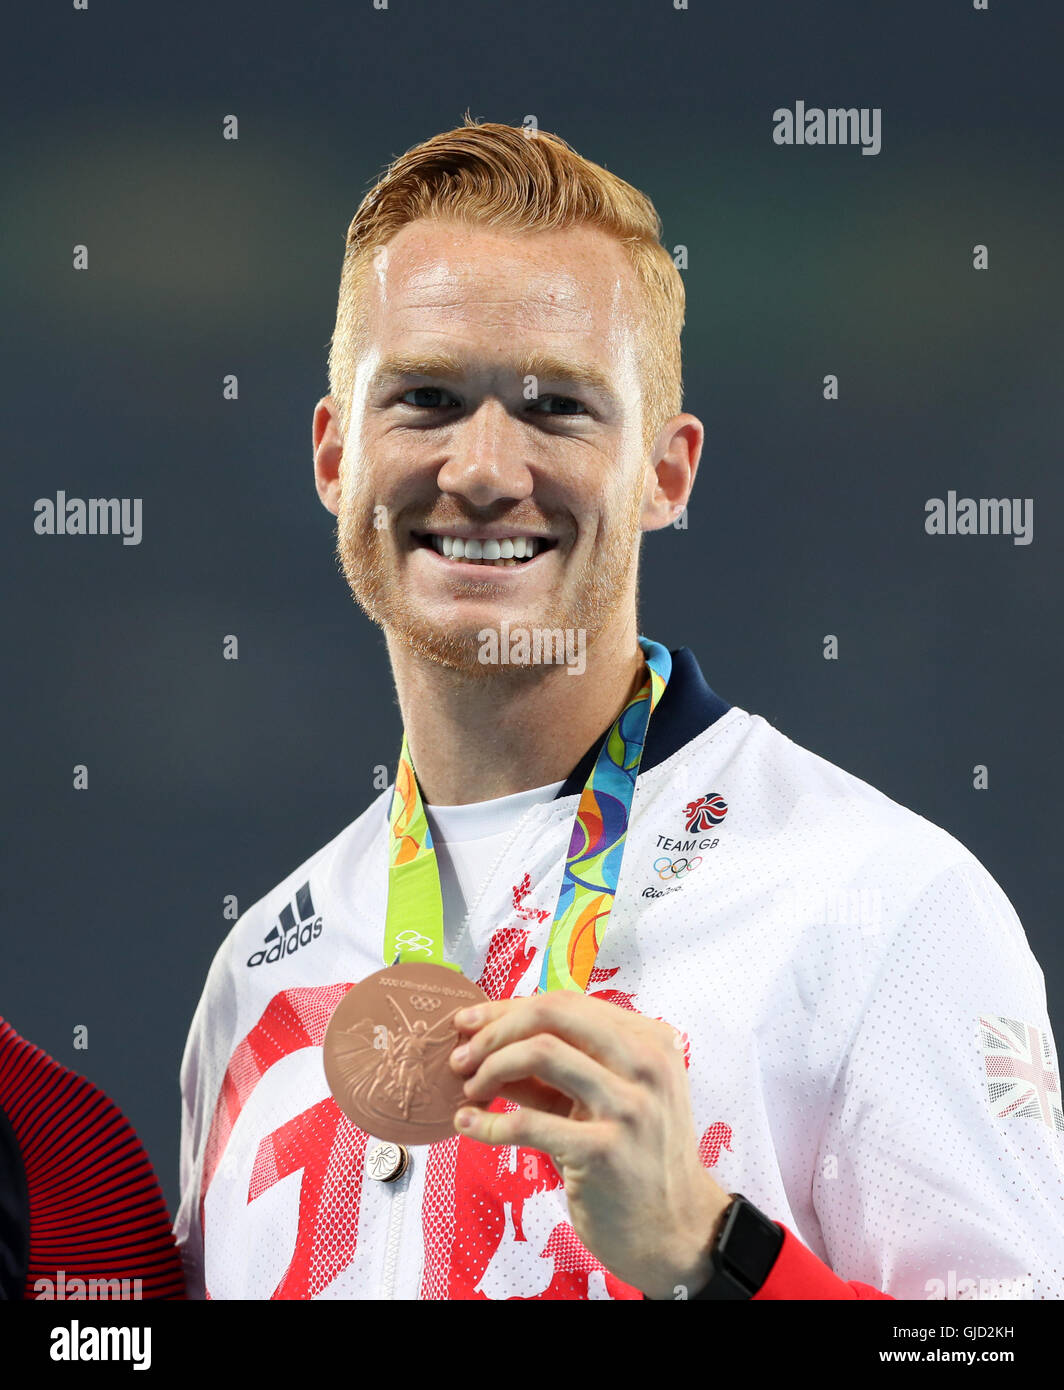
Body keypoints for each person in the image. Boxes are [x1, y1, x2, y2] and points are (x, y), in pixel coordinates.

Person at [174, 117, 1064, 1301]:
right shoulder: (257, 978)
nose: (484, 468)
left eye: (556, 410)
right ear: (335, 458)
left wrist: (717, 1256)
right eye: (426, 399)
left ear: (665, 471)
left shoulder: (879, 907)